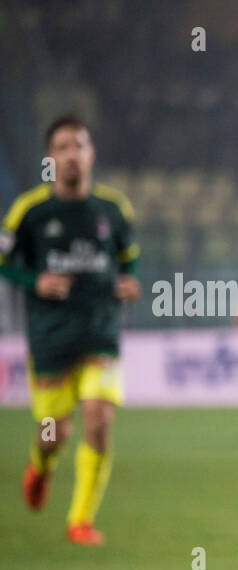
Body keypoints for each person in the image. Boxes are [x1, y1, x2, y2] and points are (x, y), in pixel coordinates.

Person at [1, 115, 141, 545]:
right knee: (53, 432)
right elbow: (5, 262)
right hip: (51, 338)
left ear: (91, 153)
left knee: (98, 420)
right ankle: (41, 466)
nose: (72, 154)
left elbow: (128, 258)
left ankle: (80, 519)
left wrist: (129, 281)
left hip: (100, 334)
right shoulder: (31, 211)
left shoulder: (114, 210)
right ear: (50, 159)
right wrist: (34, 282)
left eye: (79, 145)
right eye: (62, 147)